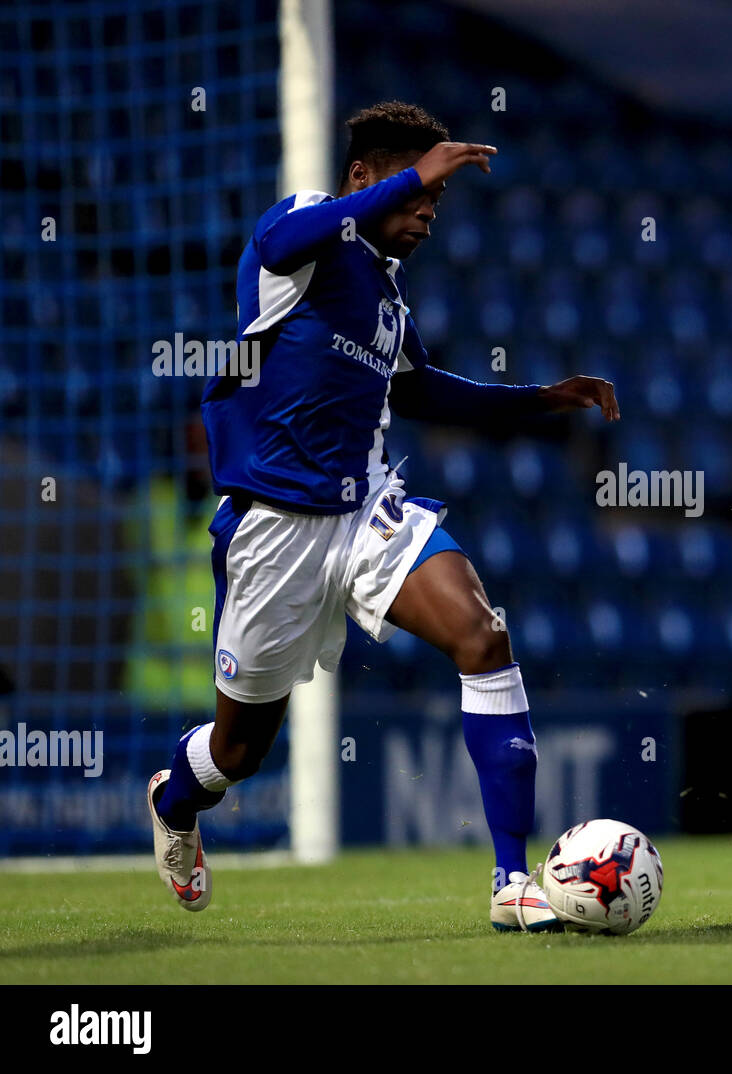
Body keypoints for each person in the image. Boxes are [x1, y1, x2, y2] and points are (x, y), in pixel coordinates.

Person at [147, 101, 618, 932]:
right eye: (417, 200)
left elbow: (425, 389)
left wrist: (543, 398)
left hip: (366, 511)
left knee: (483, 637)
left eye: (434, 205)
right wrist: (414, 172)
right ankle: (175, 800)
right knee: (239, 753)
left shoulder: (386, 298)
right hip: (273, 526)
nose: (427, 217)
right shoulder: (301, 232)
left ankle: (513, 881)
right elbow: (283, 241)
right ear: (365, 177)